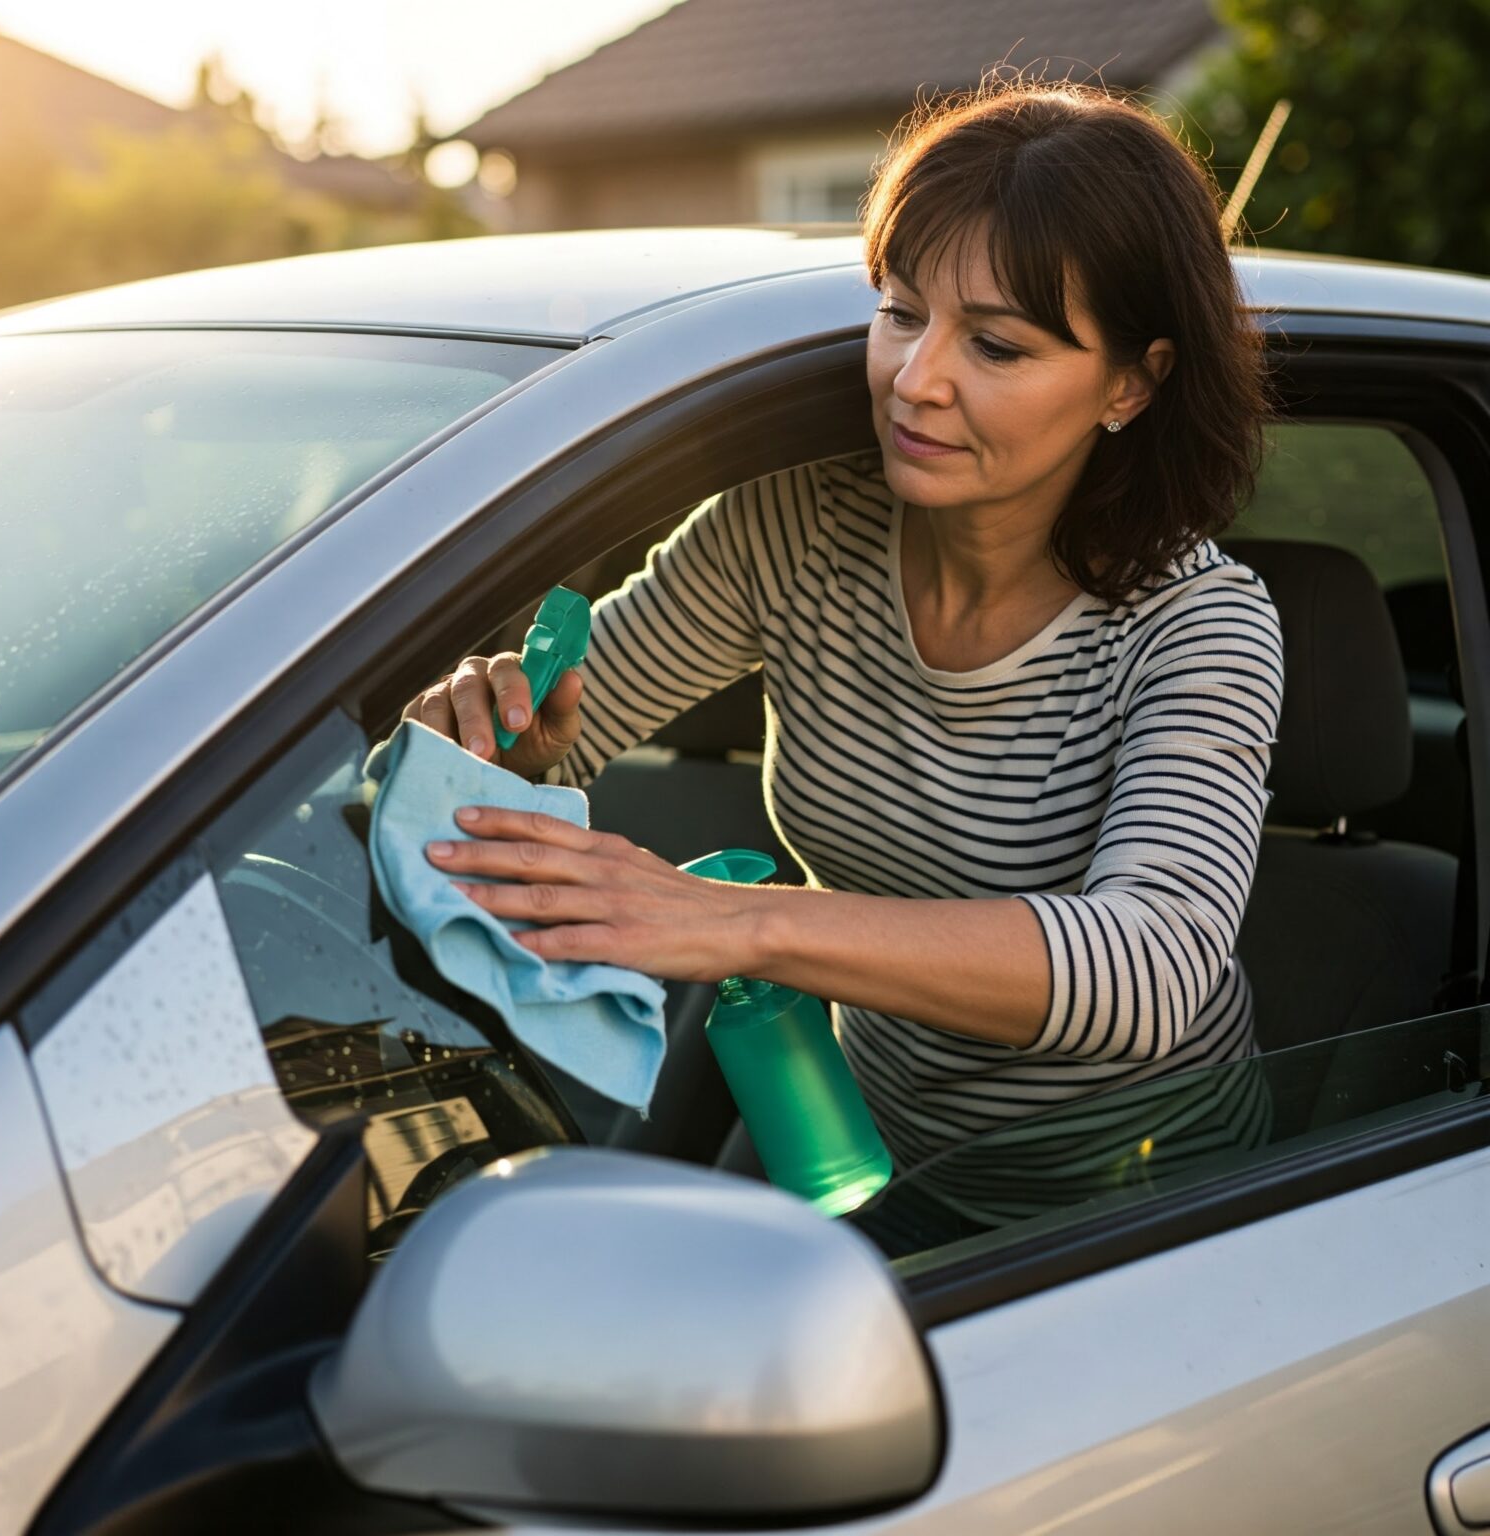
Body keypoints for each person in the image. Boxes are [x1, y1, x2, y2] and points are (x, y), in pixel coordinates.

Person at [406, 77, 1284, 1175]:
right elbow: (568, 724)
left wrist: (743, 924)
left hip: (1139, 1196)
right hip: (859, 1150)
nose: (914, 382)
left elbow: (1154, 968)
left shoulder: (1199, 629)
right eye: (903, 313)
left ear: (1131, 385)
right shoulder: (796, 527)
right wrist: (514, 742)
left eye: (996, 348)